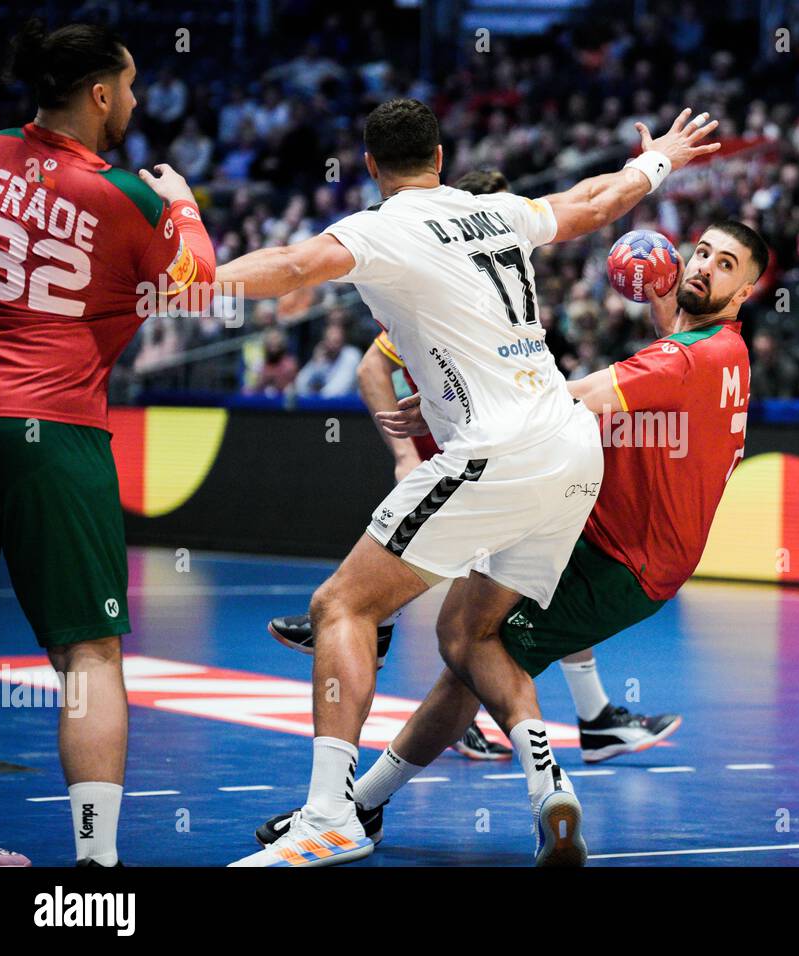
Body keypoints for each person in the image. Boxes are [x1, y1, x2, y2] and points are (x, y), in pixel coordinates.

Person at [218, 99, 719, 867]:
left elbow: (289, 267)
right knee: (471, 633)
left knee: (341, 606)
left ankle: (330, 816)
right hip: (570, 448)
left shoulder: (380, 226)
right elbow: (596, 202)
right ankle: (549, 788)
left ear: (372, 166)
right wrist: (661, 160)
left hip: (502, 450)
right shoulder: (495, 212)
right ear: (444, 157)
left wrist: (188, 279)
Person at [266, 169, 681, 763]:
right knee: (459, 611)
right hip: (488, 454)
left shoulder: (484, 270)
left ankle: (584, 719)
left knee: (490, 605)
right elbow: (368, 368)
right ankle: (410, 676)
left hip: (505, 449)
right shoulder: (448, 273)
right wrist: (409, 452)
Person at [0, 20, 215, 866]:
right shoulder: (128, 196)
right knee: (88, 654)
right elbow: (195, 287)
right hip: (55, 433)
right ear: (101, 94)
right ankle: (96, 862)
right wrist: (184, 203)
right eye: (132, 85)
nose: (140, 99)